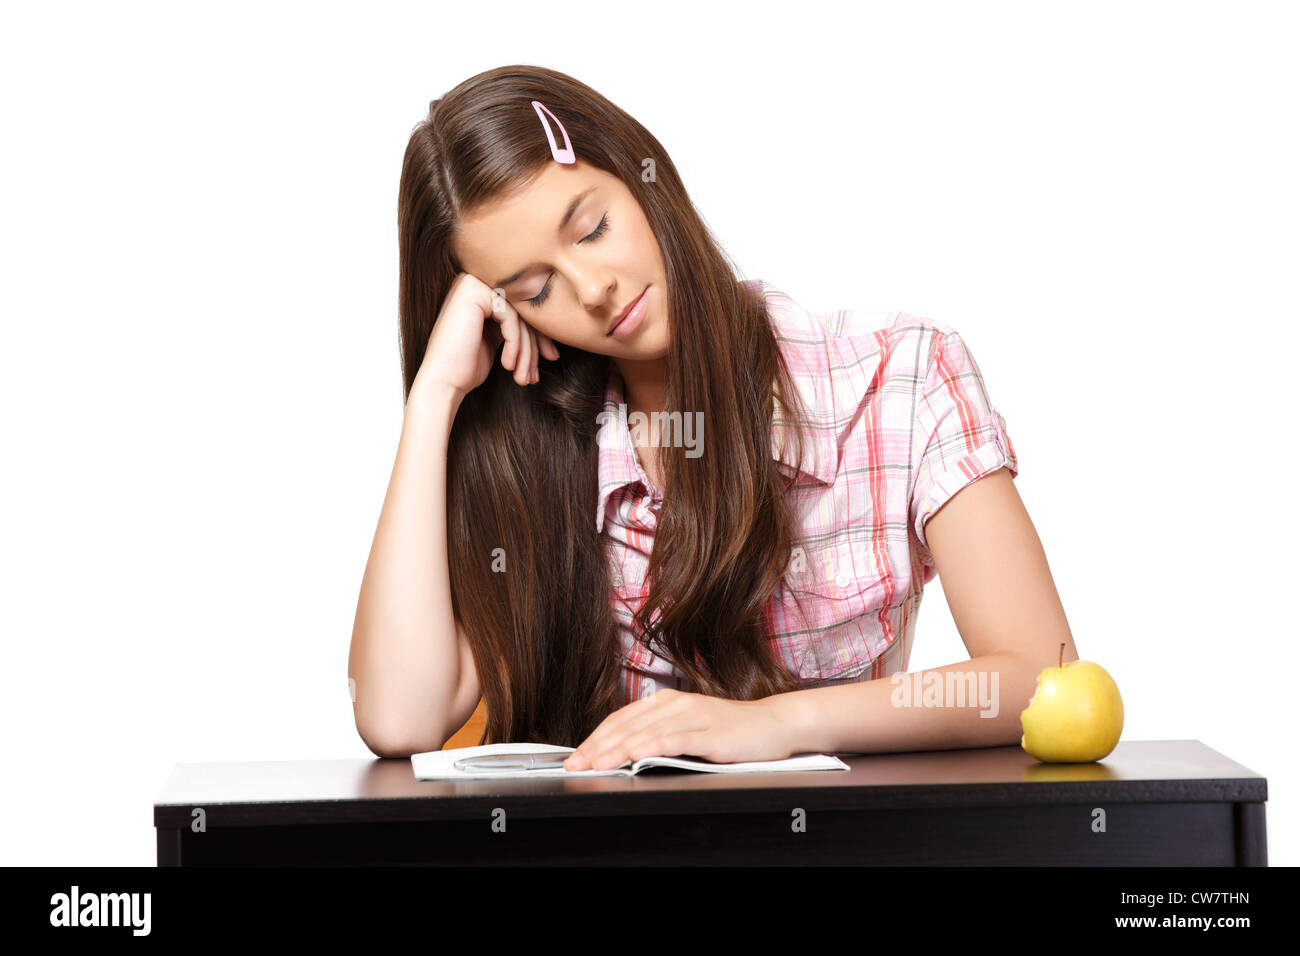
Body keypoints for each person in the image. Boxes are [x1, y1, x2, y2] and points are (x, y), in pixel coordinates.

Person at [348, 64, 1078, 767]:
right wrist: (434, 398)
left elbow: (1038, 677)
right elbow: (397, 716)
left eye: (593, 227)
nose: (595, 289)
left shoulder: (902, 379)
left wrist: (778, 724)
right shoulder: (534, 452)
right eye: (537, 290)